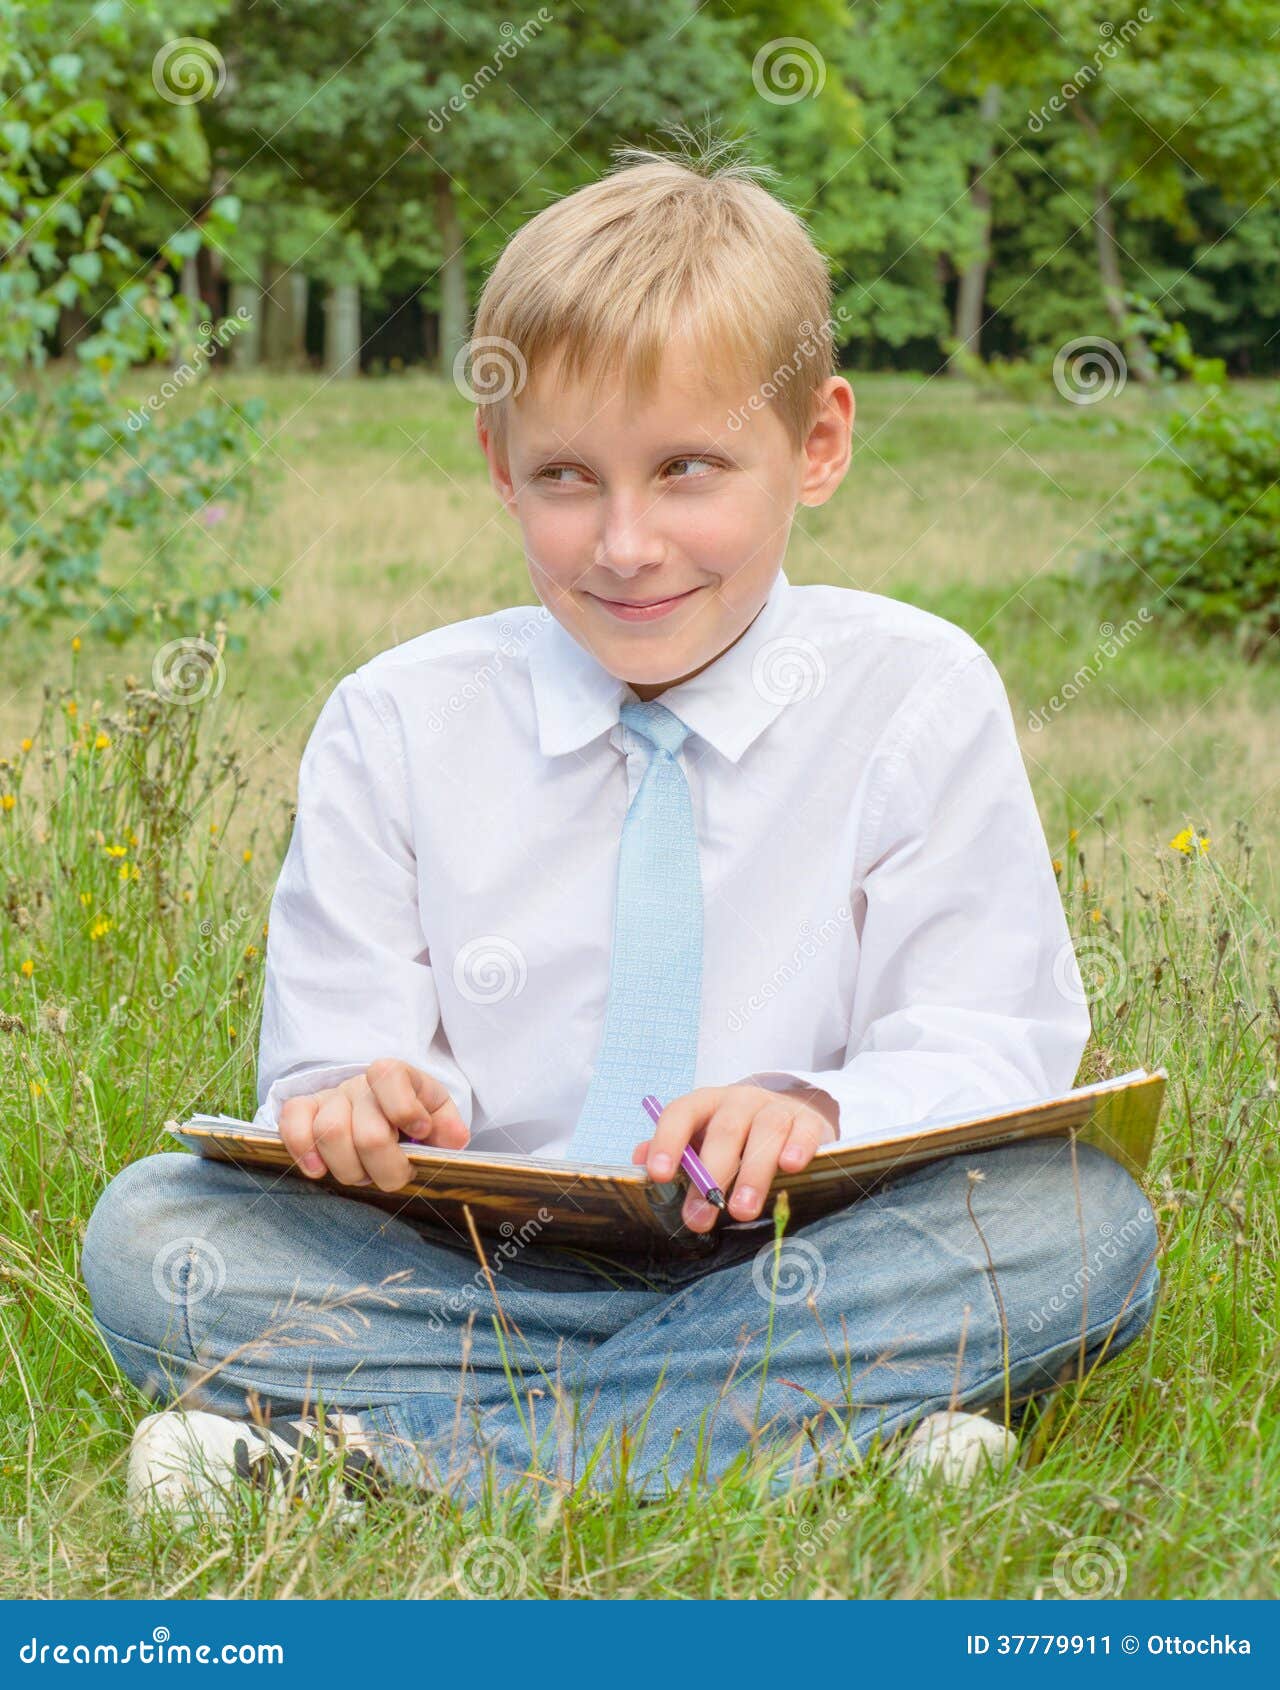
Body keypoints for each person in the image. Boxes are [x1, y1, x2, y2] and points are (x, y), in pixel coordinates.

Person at [80, 140, 1160, 1525]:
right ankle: (819, 1438)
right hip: (476, 1271)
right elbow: (329, 1053)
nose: (627, 544)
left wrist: (818, 1108)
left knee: (1075, 1221)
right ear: (498, 461)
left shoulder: (918, 692)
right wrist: (361, 1095)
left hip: (814, 1254)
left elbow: (987, 1039)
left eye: (689, 470)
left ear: (817, 443)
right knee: (156, 1230)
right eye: (568, 477)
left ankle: (406, 1458)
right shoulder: (395, 719)